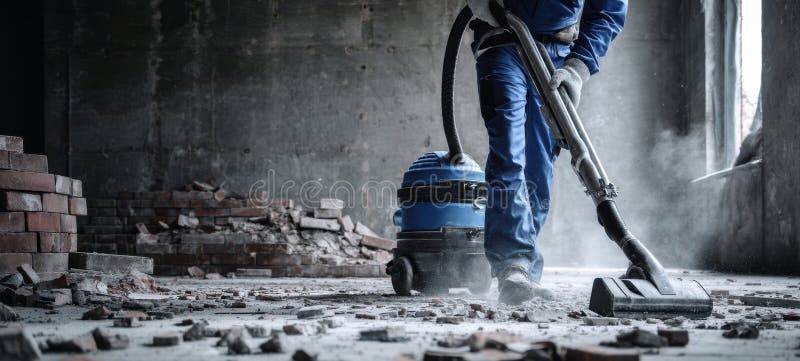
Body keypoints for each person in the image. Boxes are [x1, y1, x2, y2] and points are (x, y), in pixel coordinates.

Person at [465, 0, 627, 304]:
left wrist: (578, 69)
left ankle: (521, 267)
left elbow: (608, 9)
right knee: (508, 152)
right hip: (502, 40)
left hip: (556, 56)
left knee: (539, 164)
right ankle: (513, 264)